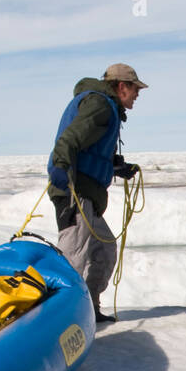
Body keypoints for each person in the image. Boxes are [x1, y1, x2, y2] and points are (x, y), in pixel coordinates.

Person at [47, 63, 147, 323]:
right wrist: (61, 171)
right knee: (74, 256)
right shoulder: (100, 105)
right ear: (122, 86)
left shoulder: (104, 106)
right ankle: (58, 319)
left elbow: (90, 149)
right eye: (135, 88)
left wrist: (117, 167)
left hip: (85, 194)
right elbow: (70, 141)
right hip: (74, 191)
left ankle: (87, 308)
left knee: (104, 247)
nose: (138, 94)